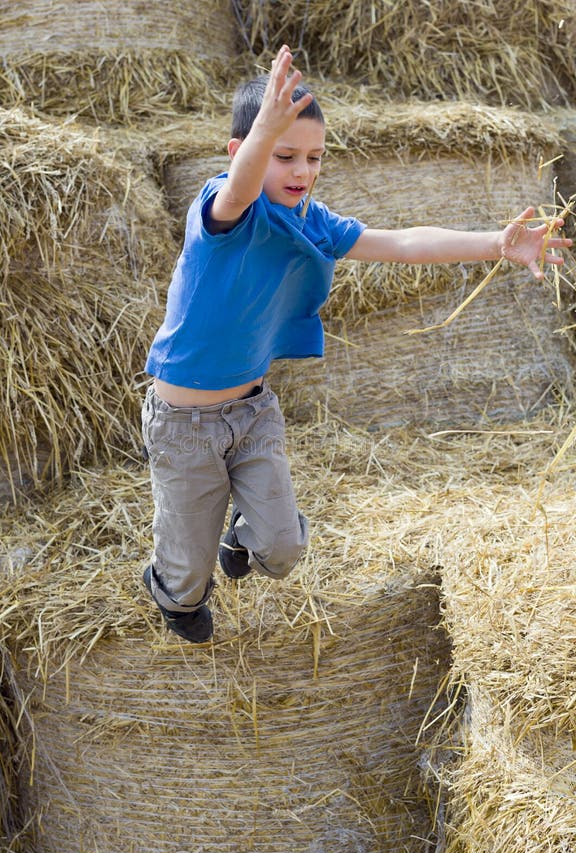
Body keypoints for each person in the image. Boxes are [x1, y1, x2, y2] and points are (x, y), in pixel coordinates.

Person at [141, 44, 571, 643]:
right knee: (187, 574)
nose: (301, 171)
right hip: (184, 425)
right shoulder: (222, 210)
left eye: (314, 158)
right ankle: (172, 591)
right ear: (243, 152)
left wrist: (495, 243)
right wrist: (264, 127)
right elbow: (240, 190)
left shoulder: (312, 218)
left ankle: (244, 534)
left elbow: (402, 243)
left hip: (253, 409)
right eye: (283, 154)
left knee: (283, 549)